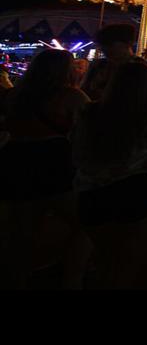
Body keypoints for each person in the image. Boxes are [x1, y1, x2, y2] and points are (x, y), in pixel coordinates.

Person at [71, 62, 147, 289]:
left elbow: (76, 148)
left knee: (104, 258)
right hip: (135, 193)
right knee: (127, 263)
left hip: (91, 193)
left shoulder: (89, 113)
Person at [1, 49, 93, 289]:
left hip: (16, 158)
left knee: (22, 230)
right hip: (52, 160)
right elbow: (87, 131)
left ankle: (17, 278)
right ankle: (71, 277)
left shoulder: (15, 95)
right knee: (86, 222)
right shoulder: (72, 96)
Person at [82, 24, 147, 110]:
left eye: (110, 44)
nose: (105, 49)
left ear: (128, 43)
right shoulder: (98, 66)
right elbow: (85, 92)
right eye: (102, 45)